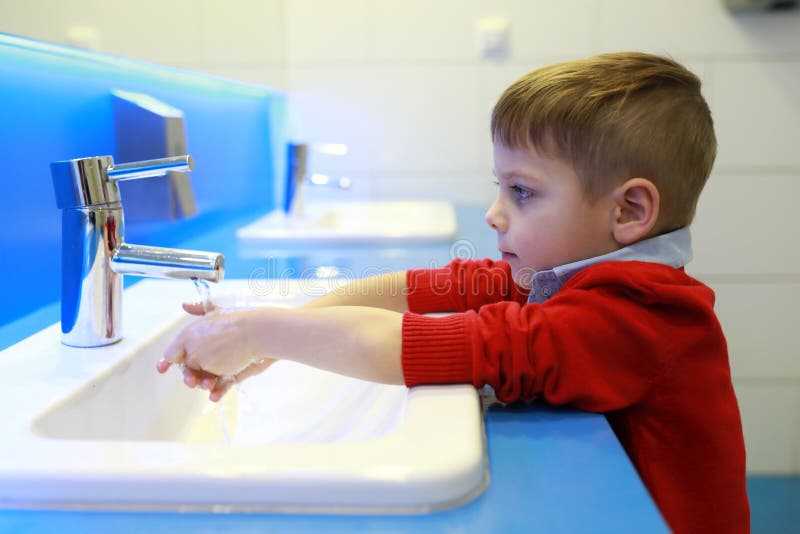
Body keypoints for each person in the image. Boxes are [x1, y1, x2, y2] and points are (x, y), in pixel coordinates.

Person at [157, 52, 749, 533]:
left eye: (522, 191)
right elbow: (430, 291)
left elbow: (431, 344)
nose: (494, 214)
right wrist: (281, 323)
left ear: (630, 210)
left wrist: (256, 332)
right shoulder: (572, 275)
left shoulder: (635, 315)